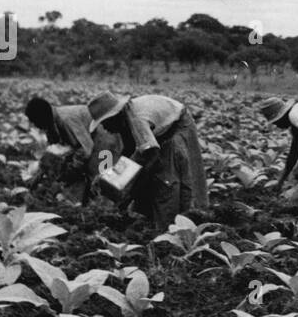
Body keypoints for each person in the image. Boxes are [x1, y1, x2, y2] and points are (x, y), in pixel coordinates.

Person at [88, 92, 210, 230]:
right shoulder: (124, 118)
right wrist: (112, 176)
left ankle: (176, 224)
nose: (104, 128)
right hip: (159, 135)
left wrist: (131, 190)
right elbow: (129, 151)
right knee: (144, 176)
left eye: (104, 122)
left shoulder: (137, 120)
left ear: (114, 116)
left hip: (177, 128)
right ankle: (150, 219)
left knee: (166, 180)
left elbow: (151, 156)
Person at [24, 96, 118, 205]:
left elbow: (85, 149)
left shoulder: (66, 119)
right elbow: (52, 154)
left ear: (42, 117)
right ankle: (87, 203)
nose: (36, 126)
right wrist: (39, 175)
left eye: (36, 122)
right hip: (88, 141)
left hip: (103, 136)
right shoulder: (50, 124)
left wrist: (69, 173)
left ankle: (107, 208)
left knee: (102, 175)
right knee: (79, 172)